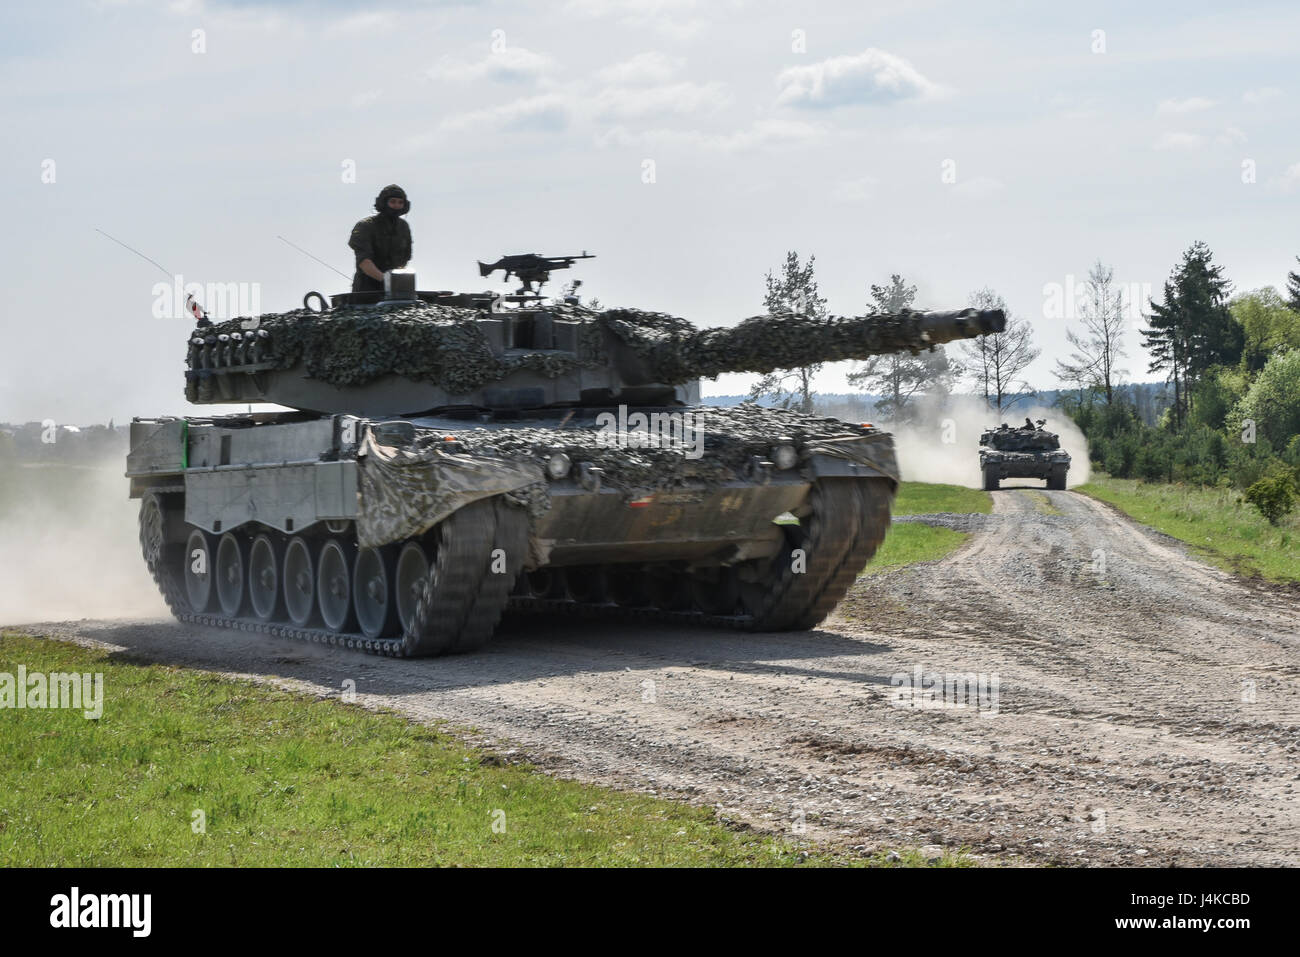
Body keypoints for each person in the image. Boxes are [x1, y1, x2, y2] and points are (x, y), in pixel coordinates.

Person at [348, 184, 412, 292]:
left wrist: (398, 283)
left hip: (395, 289)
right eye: (392, 201)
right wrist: (387, 281)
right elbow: (364, 262)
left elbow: (404, 261)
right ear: (383, 203)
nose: (396, 205)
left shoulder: (403, 227)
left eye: (400, 202)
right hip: (366, 290)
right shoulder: (365, 226)